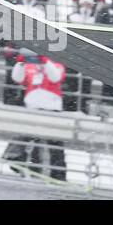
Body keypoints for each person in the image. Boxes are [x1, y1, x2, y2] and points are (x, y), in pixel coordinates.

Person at [5, 52, 68, 182]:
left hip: (52, 110)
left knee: (55, 146)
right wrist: (20, 63)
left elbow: (55, 77)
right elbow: (17, 78)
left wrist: (45, 61)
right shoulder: (31, 66)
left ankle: (58, 176)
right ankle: (34, 171)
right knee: (33, 143)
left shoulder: (57, 64)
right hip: (33, 109)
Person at [63, 0, 98, 113]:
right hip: (73, 54)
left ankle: (82, 107)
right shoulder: (72, 17)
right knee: (70, 81)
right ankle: (68, 106)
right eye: (84, 3)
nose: (86, 6)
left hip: (88, 56)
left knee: (85, 84)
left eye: (89, 4)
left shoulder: (95, 19)